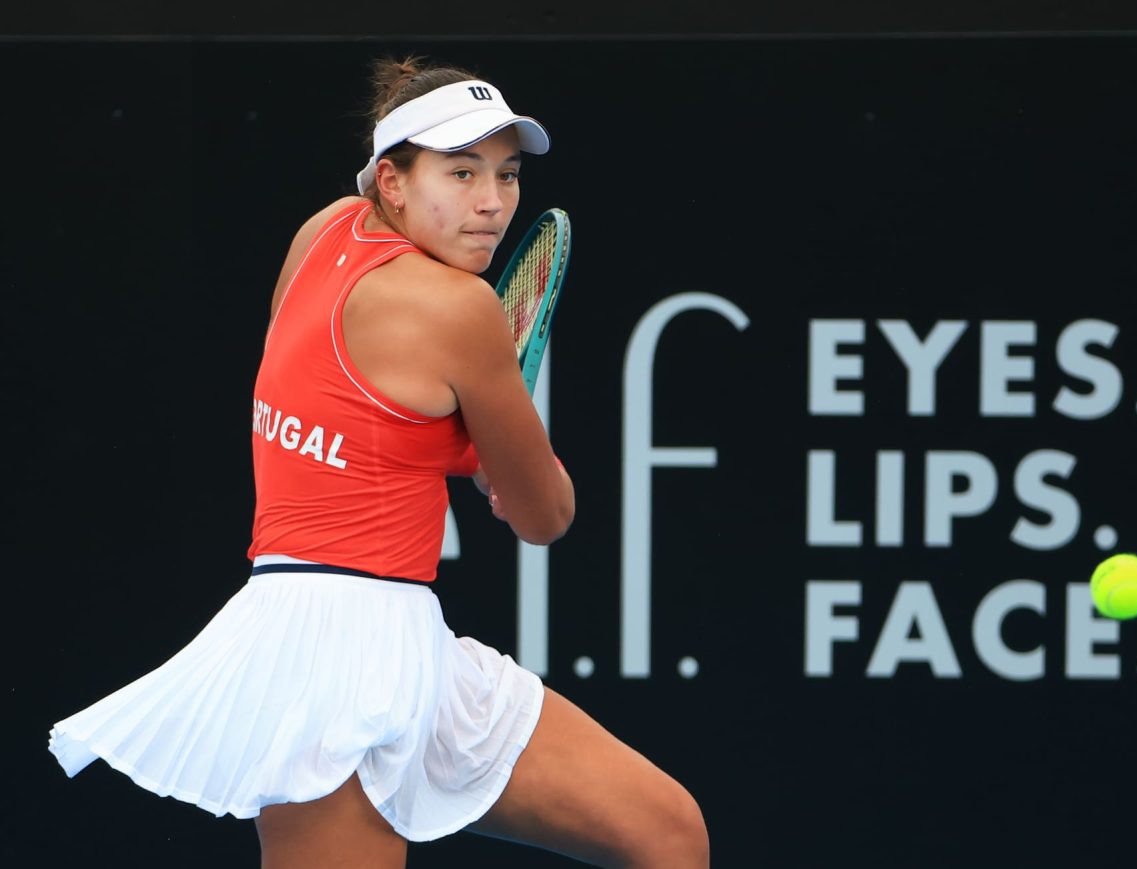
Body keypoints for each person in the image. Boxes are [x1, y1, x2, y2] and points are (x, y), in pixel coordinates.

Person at [48, 56, 710, 869]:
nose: (492, 202)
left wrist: (456, 444)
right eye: (460, 173)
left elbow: (342, 401)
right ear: (392, 183)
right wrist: (498, 460)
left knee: (666, 834)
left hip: (400, 640)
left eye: (505, 174)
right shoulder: (460, 308)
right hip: (324, 655)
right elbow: (548, 516)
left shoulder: (322, 231)